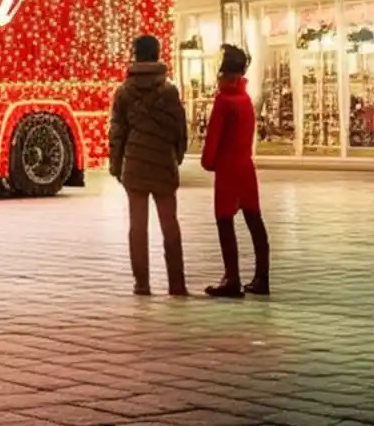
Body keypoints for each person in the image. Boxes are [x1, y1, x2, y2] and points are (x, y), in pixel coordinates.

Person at [108, 35, 188, 297]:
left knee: (137, 226)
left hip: (135, 166)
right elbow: (179, 129)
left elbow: (117, 132)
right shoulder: (169, 90)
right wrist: (176, 156)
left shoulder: (123, 91)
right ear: (157, 54)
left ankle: (141, 283)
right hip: (163, 162)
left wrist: (117, 165)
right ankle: (177, 284)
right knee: (170, 223)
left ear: (135, 55)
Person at [201, 44, 269, 298]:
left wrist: (209, 162)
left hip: (228, 170)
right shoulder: (246, 100)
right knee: (254, 221)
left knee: (225, 222)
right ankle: (262, 276)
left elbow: (213, 140)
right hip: (245, 167)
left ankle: (232, 277)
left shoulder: (223, 101)